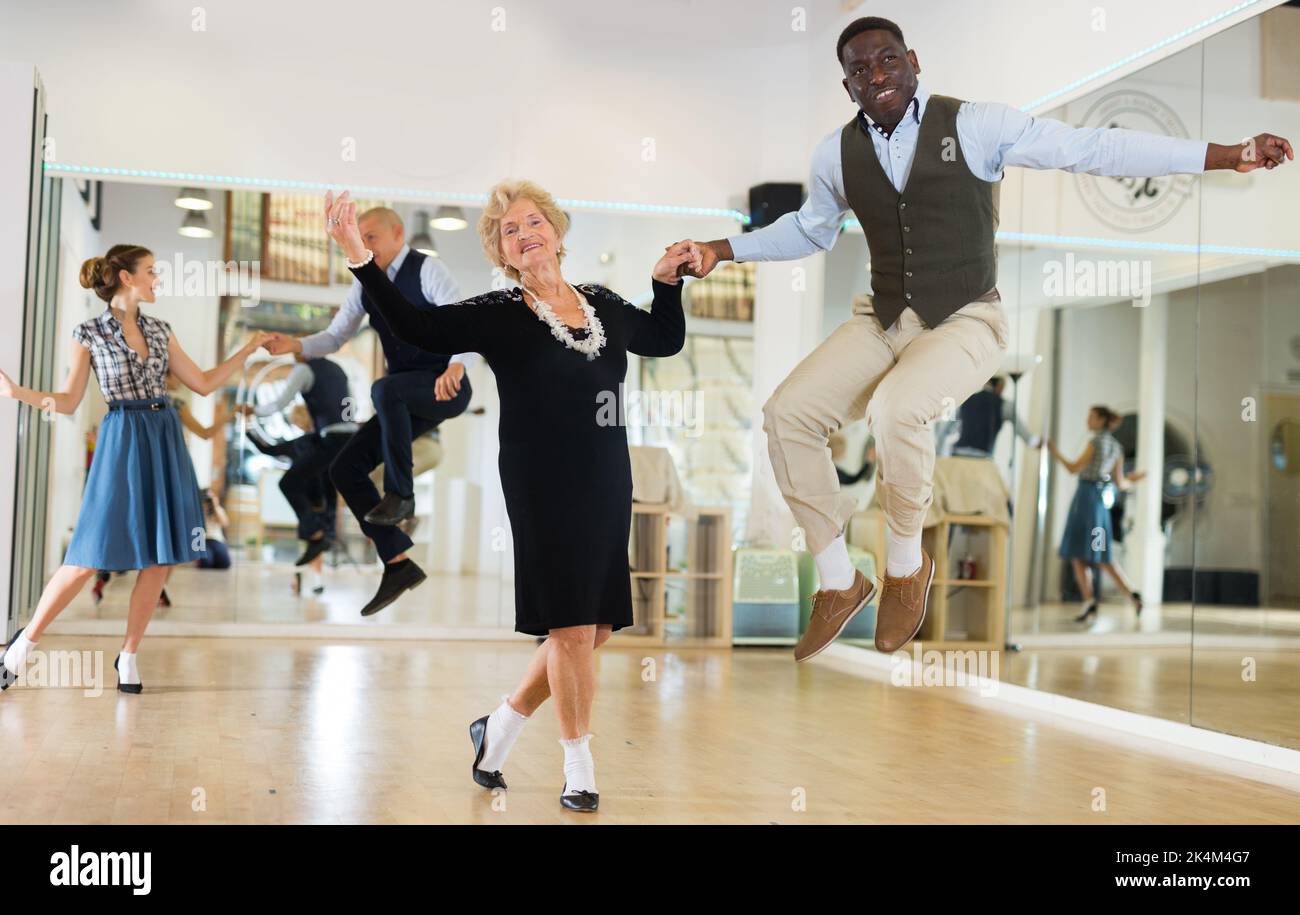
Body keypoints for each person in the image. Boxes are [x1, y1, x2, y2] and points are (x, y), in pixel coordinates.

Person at [671, 15, 1293, 662]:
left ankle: (906, 566)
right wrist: (723, 248)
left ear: (913, 60)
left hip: (968, 316)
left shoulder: (975, 125)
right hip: (883, 316)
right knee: (786, 414)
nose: (877, 75)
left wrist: (1223, 155)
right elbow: (811, 229)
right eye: (861, 69)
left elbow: (1091, 148)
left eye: (887, 60)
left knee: (896, 410)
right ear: (847, 84)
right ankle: (838, 577)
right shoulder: (835, 153)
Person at [324, 182, 695, 812]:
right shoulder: (499, 311)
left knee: (594, 627)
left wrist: (666, 283)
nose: (525, 235)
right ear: (502, 251)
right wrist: (360, 253)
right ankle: (578, 766)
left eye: (533, 223)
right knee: (572, 628)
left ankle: (498, 728)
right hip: (541, 479)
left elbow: (663, 339)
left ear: (554, 229)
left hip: (607, 474)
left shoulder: (602, 303)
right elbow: (416, 324)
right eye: (509, 231)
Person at [0, 244, 269, 692]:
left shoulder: (162, 330)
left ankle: (128, 656)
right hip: (122, 437)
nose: (157, 278)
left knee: (161, 557)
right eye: (151, 271)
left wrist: (249, 349)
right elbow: (67, 401)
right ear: (126, 277)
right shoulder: (87, 333)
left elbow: (201, 383)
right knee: (89, 553)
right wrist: (19, 395)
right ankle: (22, 646)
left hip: (164, 436)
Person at [264, 207, 477, 617]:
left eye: (371, 236)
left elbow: (461, 318)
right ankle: (397, 562)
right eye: (359, 238)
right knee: (344, 469)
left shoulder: (426, 269)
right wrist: (292, 345)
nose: (364, 244)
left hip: (445, 386)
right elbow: (334, 337)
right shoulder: (365, 286)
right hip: (402, 395)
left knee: (385, 389)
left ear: (398, 233)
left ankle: (401, 495)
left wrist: (457, 363)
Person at [236, 354, 358, 567]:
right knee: (309, 530)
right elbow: (349, 405)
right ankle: (312, 563)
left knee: (289, 485)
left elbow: (278, 404)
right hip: (325, 491)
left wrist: (254, 411)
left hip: (323, 498)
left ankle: (317, 547)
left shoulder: (313, 439)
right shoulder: (337, 373)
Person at [1047, 405, 1146, 624]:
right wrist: (1135, 480)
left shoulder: (1095, 443)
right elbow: (1121, 484)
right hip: (1100, 506)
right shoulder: (1117, 447)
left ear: (1101, 420)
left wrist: (1053, 451)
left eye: (1091, 417)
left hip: (1085, 501)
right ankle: (1131, 594)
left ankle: (1089, 601)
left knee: (1078, 553)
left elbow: (1074, 468)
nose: (1088, 421)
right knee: (1101, 554)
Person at [945, 375, 1041, 458]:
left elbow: (948, 429)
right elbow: (1027, 437)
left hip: (957, 454)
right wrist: (1040, 443)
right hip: (982, 458)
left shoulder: (966, 399)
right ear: (1000, 385)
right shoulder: (1005, 405)